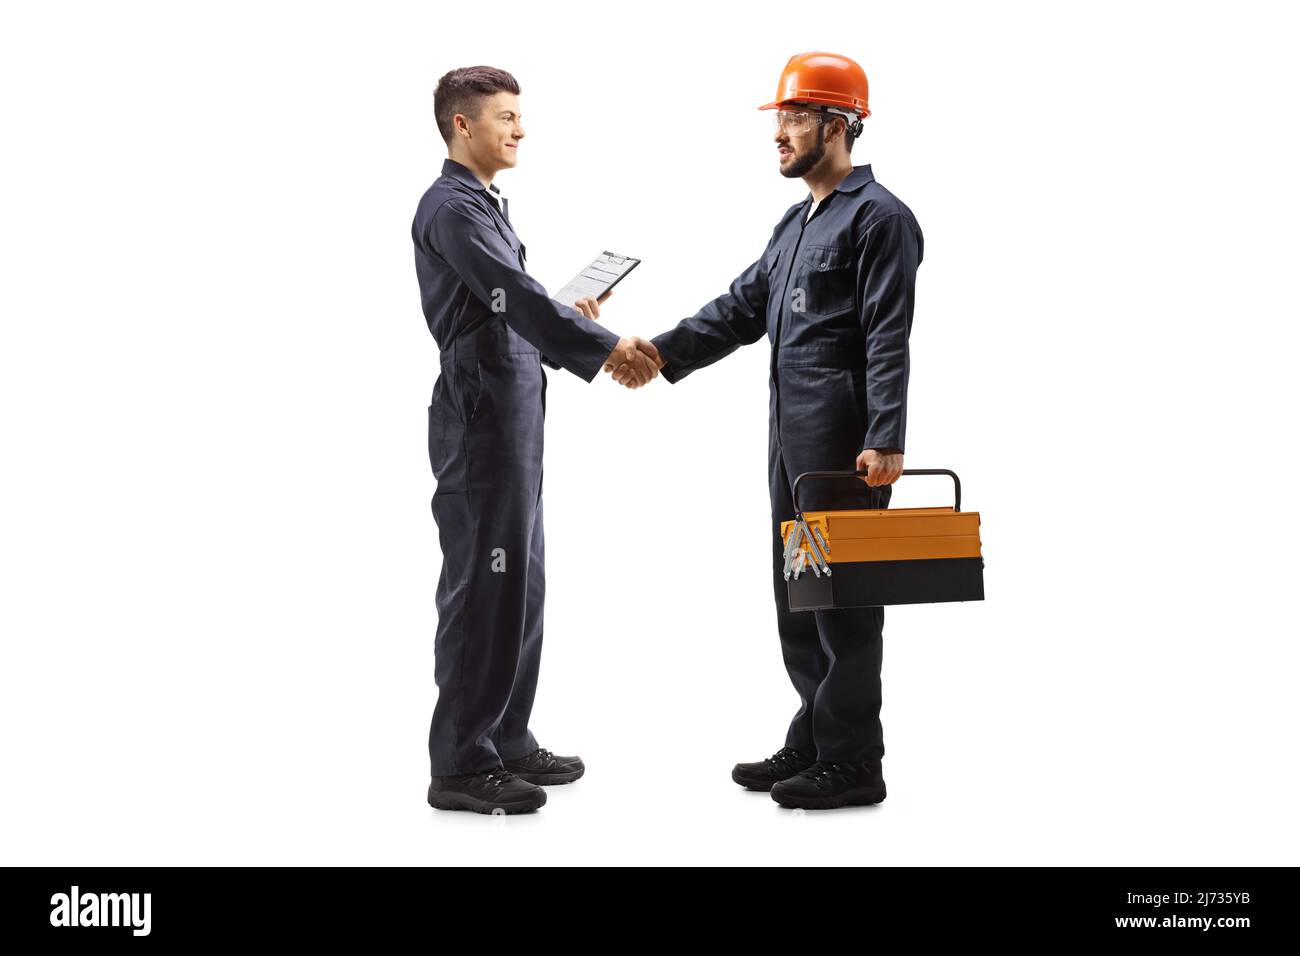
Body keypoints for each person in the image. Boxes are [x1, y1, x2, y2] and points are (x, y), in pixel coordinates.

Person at [638, 52, 923, 810]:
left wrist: (886, 435)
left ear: (838, 123)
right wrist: (659, 353)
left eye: (795, 117)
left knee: (845, 598)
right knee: (798, 590)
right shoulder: (796, 223)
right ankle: (815, 736)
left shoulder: (881, 217)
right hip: (791, 439)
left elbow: (887, 333)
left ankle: (855, 760)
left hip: (846, 444)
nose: (780, 132)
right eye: (782, 118)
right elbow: (739, 309)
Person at [411, 65, 661, 814]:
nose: (520, 130)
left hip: (515, 410)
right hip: (482, 415)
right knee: (482, 584)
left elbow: (504, 308)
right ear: (464, 125)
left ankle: (506, 737)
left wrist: (569, 314)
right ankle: (459, 761)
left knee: (522, 579)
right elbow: (510, 301)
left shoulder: (486, 205)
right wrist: (602, 343)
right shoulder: (450, 207)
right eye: (506, 117)